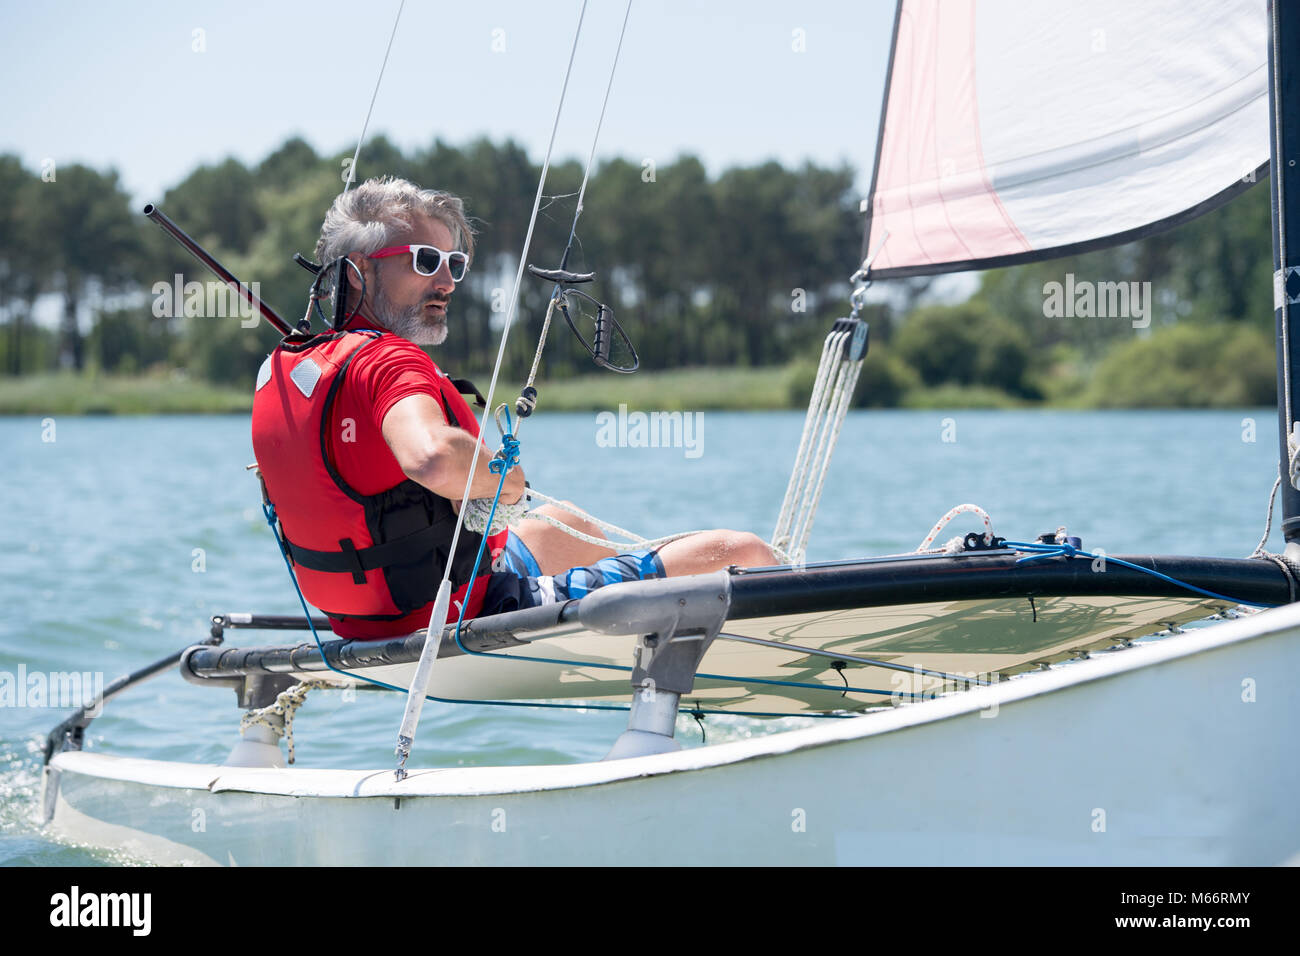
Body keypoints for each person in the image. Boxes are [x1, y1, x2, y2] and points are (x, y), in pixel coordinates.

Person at [251, 176, 774, 641]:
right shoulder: (390, 363)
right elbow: (430, 456)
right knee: (743, 552)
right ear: (359, 271)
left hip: (360, 617)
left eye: (455, 264)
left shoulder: (284, 369)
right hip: (459, 612)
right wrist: (507, 481)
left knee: (566, 524)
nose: (448, 282)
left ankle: (627, 617)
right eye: (426, 262)